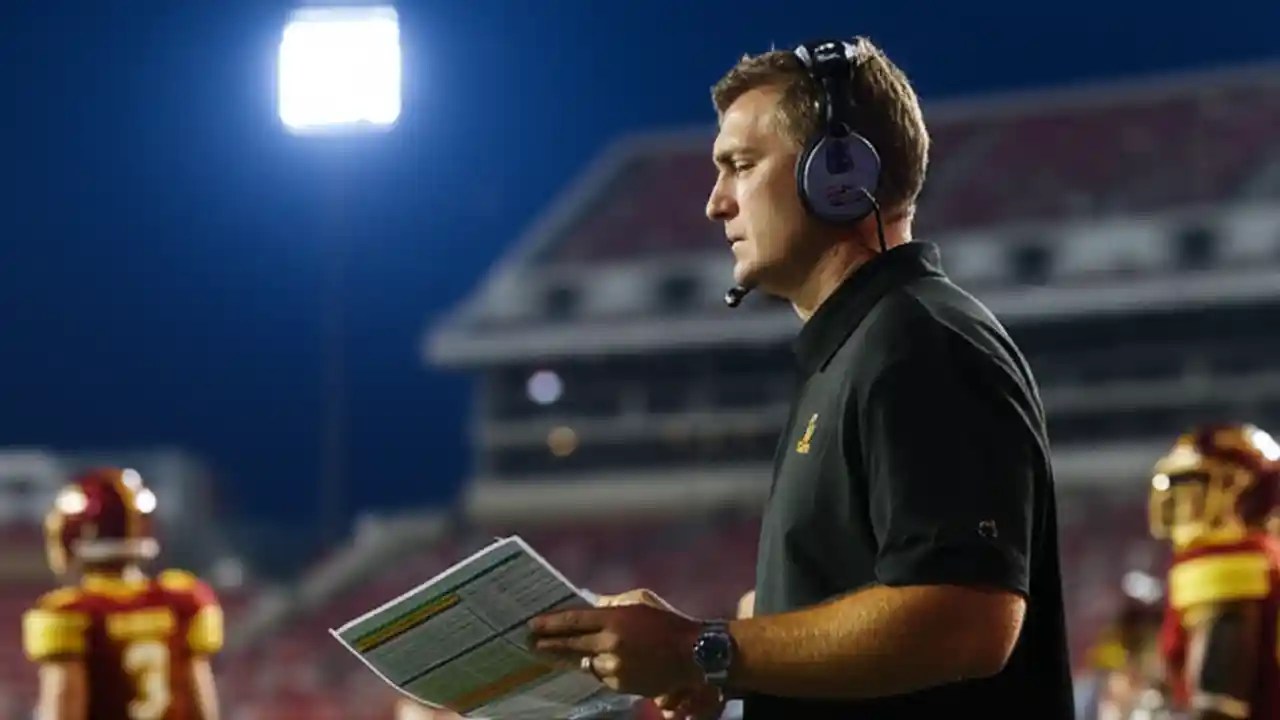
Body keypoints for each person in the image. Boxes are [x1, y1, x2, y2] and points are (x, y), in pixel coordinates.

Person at [527, 35, 1074, 719]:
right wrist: (721, 660)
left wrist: (704, 648)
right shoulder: (859, 345)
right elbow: (858, 602)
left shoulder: (916, 342)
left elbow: (965, 619)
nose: (715, 203)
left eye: (741, 165)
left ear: (838, 173)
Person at [22, 467, 222, 720]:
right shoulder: (182, 600)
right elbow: (201, 706)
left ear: (83, 531)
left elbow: (66, 705)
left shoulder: (71, 612)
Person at [1149, 423, 1280, 720]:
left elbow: (1218, 703)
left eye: (1195, 488)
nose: (1182, 505)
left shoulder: (1231, 564)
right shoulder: (1267, 557)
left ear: (1242, 489)